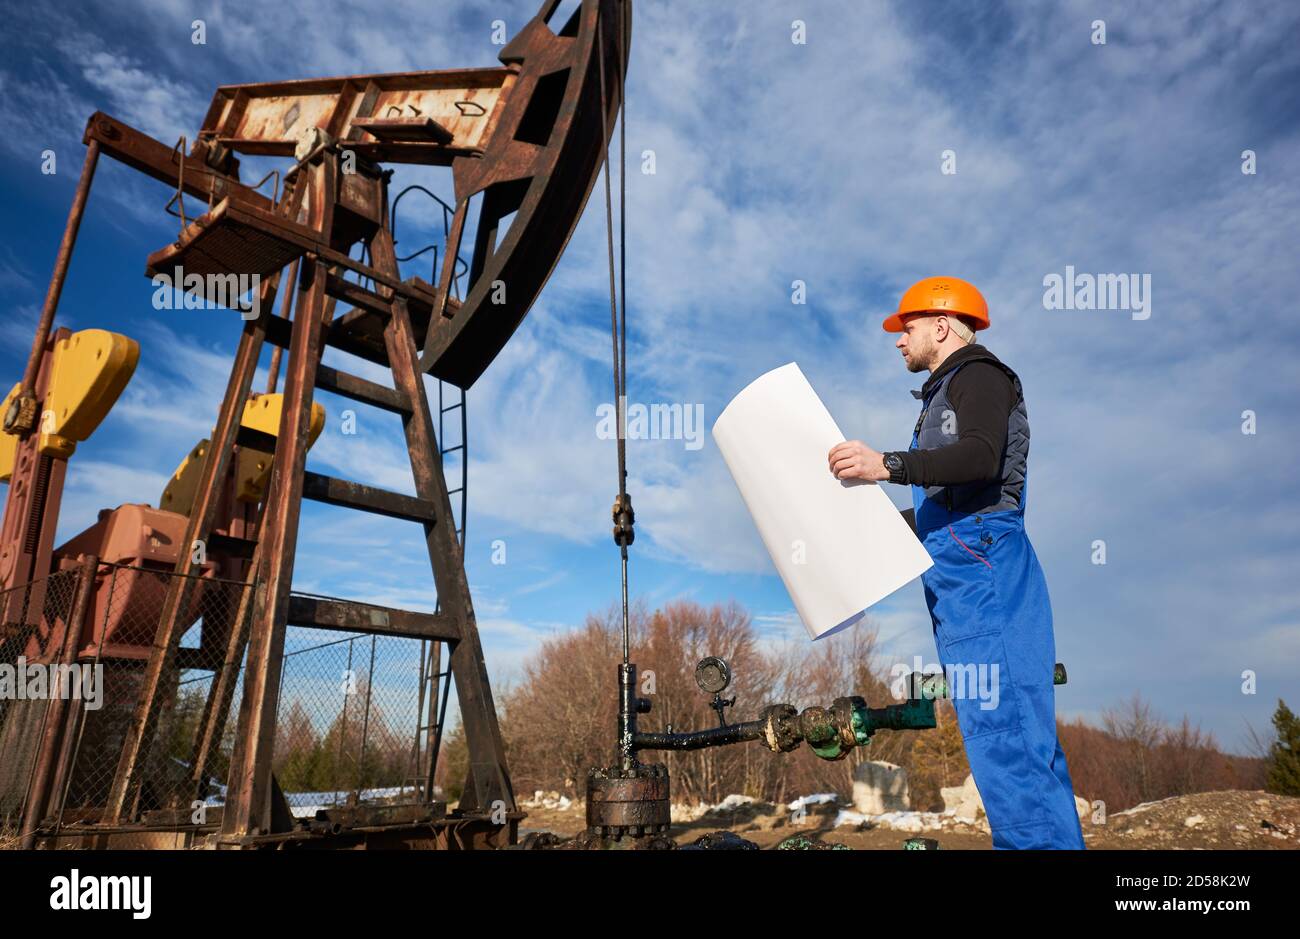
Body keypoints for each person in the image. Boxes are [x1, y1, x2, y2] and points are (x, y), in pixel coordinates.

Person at [827, 276, 1085, 850]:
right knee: (993, 733)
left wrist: (885, 465)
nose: (898, 340)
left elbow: (979, 457)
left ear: (941, 326)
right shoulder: (947, 390)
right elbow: (945, 502)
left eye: (907, 328)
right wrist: (863, 529)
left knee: (1009, 733)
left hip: (984, 564)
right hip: (960, 570)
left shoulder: (980, 375)